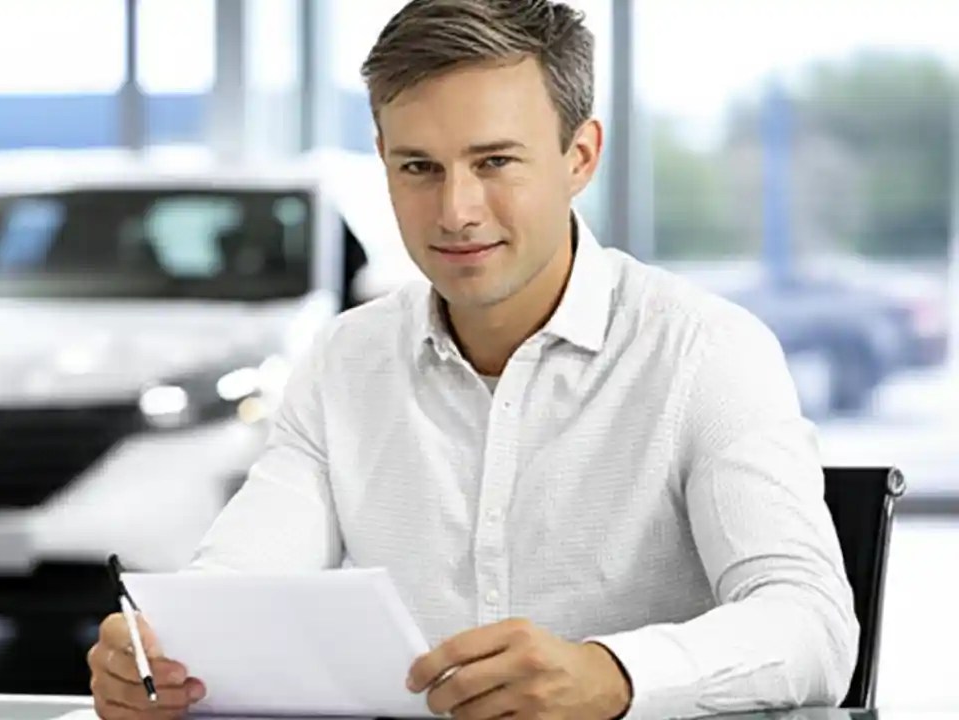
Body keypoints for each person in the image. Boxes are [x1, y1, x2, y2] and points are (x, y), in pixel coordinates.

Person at [87, 0, 859, 718]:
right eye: (419, 167)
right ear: (384, 160)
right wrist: (161, 653)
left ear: (580, 156)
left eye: (494, 162)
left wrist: (611, 674)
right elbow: (237, 587)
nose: (455, 211)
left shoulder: (705, 351)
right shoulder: (345, 360)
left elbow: (812, 625)